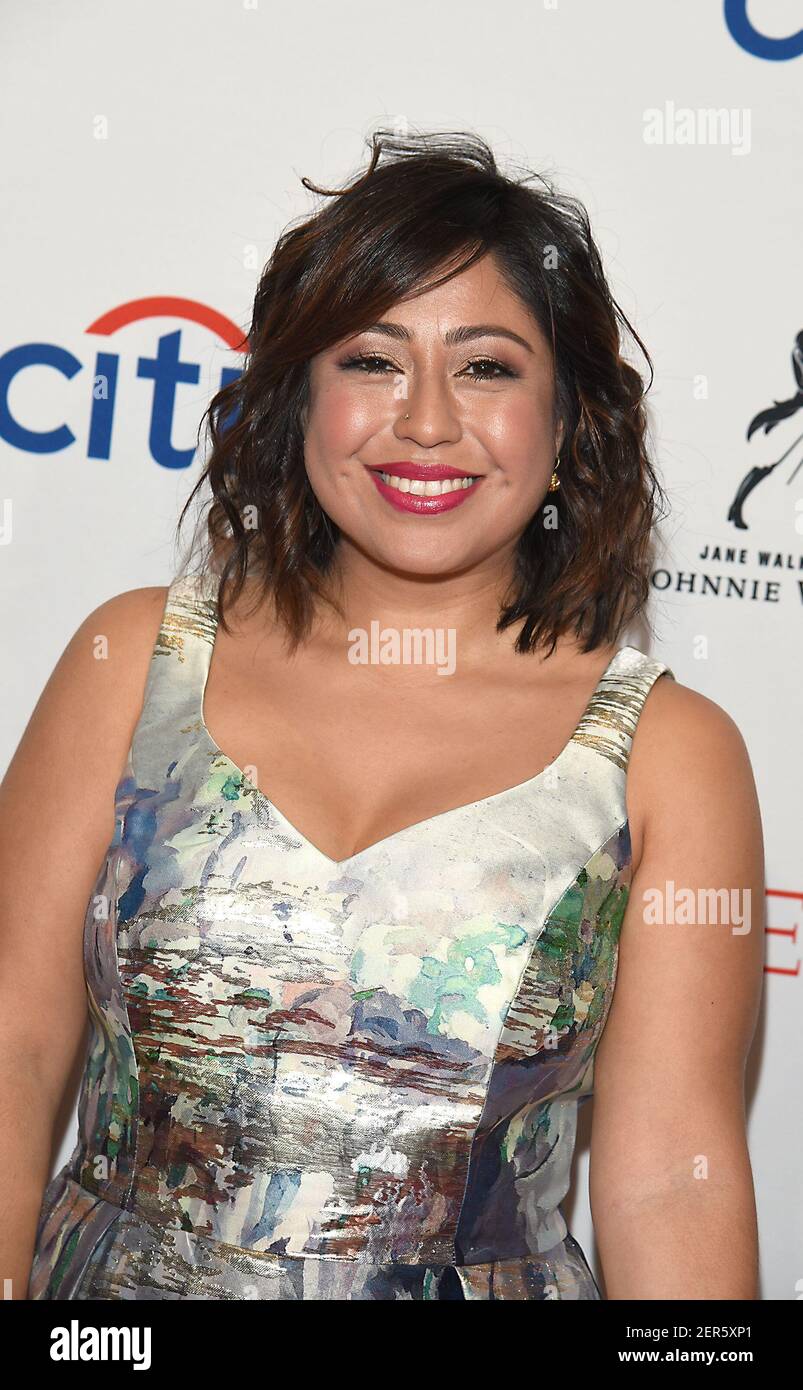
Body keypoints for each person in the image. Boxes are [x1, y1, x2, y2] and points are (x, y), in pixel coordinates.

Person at [2, 129, 763, 1301]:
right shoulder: (134, 661)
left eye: (486, 367)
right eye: (370, 359)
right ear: (299, 394)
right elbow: (15, 1045)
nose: (422, 422)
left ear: (565, 425)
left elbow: (671, 1175)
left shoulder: (667, 756)